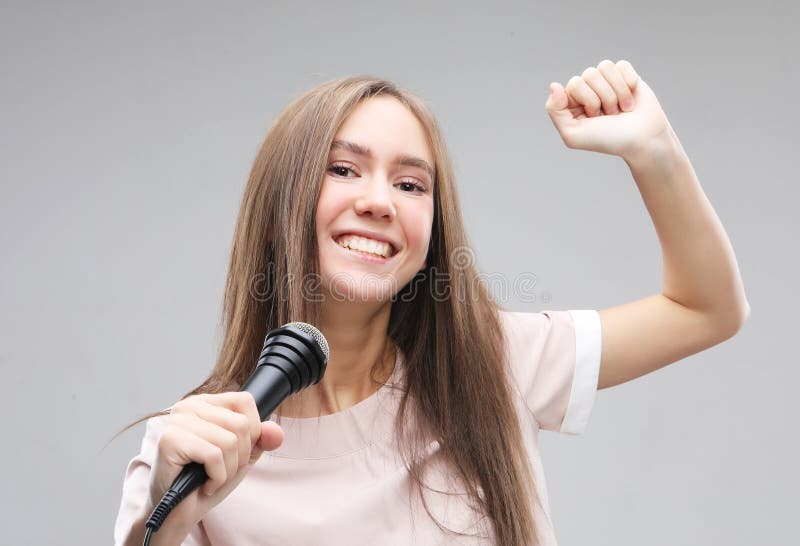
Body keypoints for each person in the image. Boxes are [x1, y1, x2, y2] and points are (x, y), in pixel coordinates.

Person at [114, 60, 750, 546]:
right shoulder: (193, 448)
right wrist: (163, 524)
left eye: (411, 183)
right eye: (342, 169)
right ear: (279, 205)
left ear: (432, 232)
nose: (379, 201)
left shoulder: (496, 362)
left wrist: (654, 147)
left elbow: (707, 309)